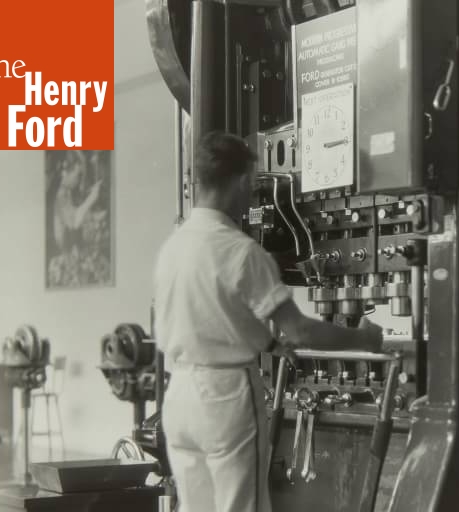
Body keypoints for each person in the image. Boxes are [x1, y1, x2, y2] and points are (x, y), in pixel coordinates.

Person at [152, 131, 383, 512]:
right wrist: (364, 340)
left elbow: (212, 315)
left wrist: (270, 344)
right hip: (225, 397)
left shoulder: (172, 248)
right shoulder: (241, 251)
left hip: (179, 396)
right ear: (243, 182)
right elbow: (302, 330)